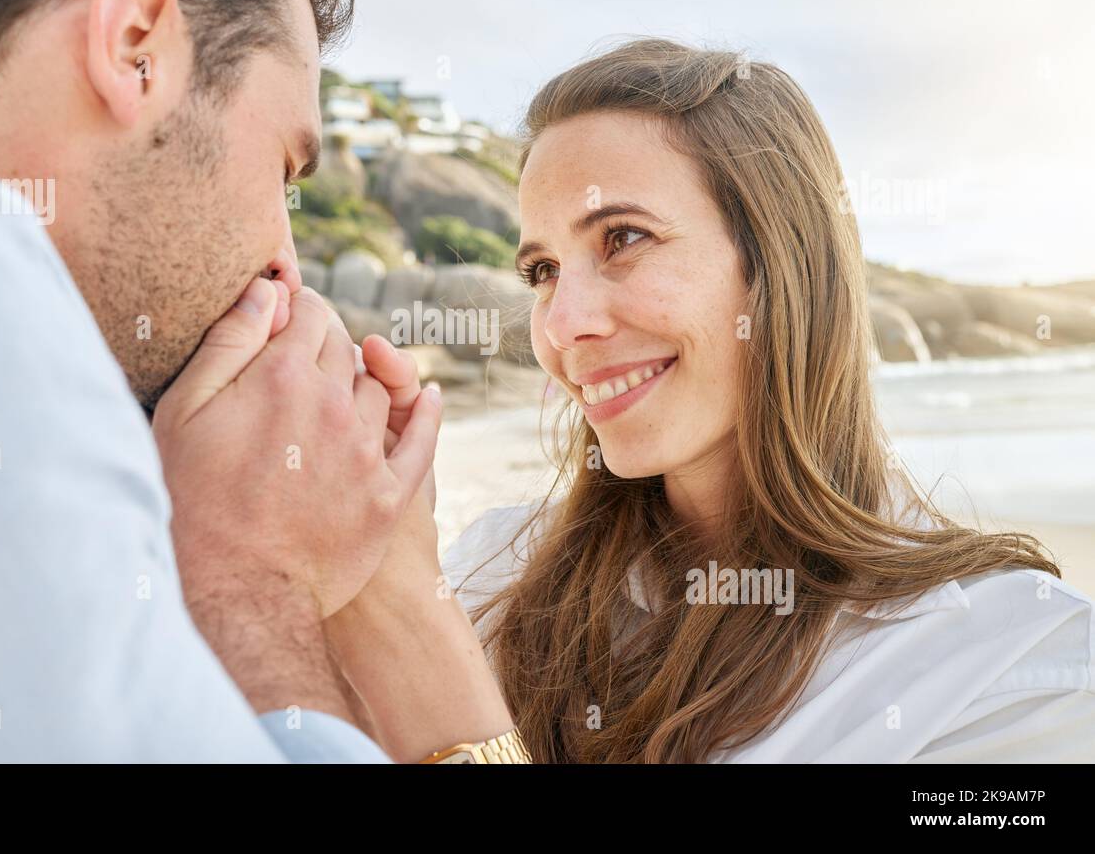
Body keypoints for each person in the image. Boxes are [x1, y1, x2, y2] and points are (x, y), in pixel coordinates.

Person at [0, 0, 517, 763]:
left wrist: (380, 579)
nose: (286, 264)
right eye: (285, 167)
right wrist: (249, 580)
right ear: (134, 43)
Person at [328, 38, 1095, 763]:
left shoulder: (1015, 665)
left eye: (623, 238)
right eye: (543, 271)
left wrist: (409, 628)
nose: (562, 324)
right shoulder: (490, 572)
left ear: (780, 261)